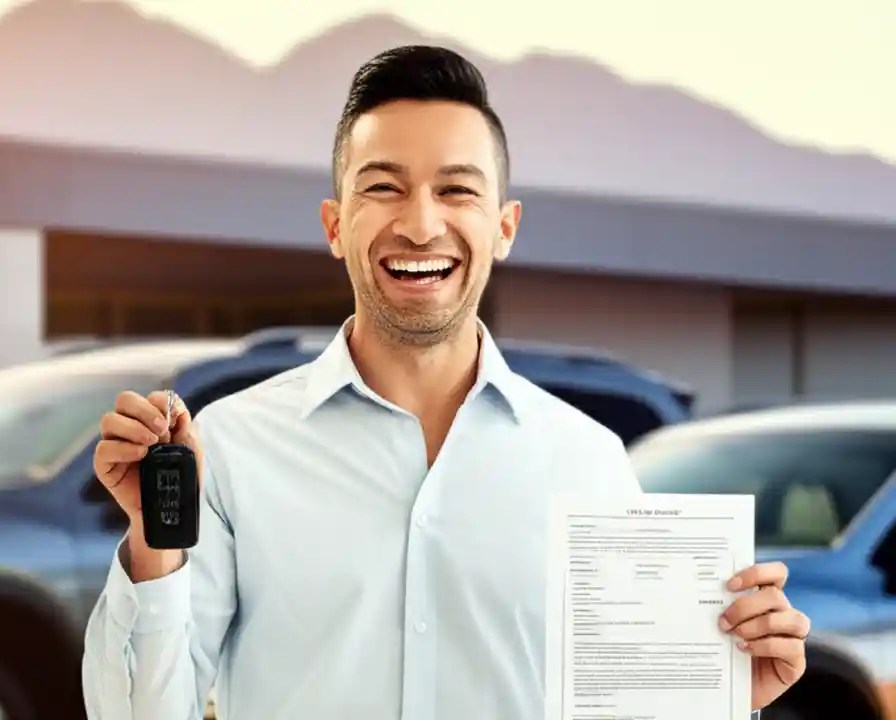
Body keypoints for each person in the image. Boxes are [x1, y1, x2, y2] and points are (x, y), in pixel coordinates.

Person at [81, 45, 810, 719]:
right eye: (385, 188)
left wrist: (723, 696)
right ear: (336, 227)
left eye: (456, 190)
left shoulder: (587, 462)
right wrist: (155, 545)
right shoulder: (233, 449)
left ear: (504, 226)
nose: (422, 225)